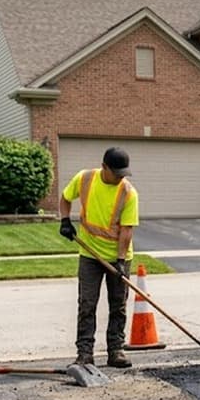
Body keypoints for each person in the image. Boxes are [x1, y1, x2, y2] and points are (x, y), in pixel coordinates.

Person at [58, 147, 140, 368]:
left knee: (118, 304)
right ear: (104, 167)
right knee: (87, 304)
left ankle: (116, 350)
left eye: (124, 172)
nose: (122, 176)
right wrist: (65, 221)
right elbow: (65, 198)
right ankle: (85, 353)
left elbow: (127, 230)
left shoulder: (128, 193)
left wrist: (121, 261)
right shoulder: (85, 179)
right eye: (117, 172)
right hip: (90, 255)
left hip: (118, 256)